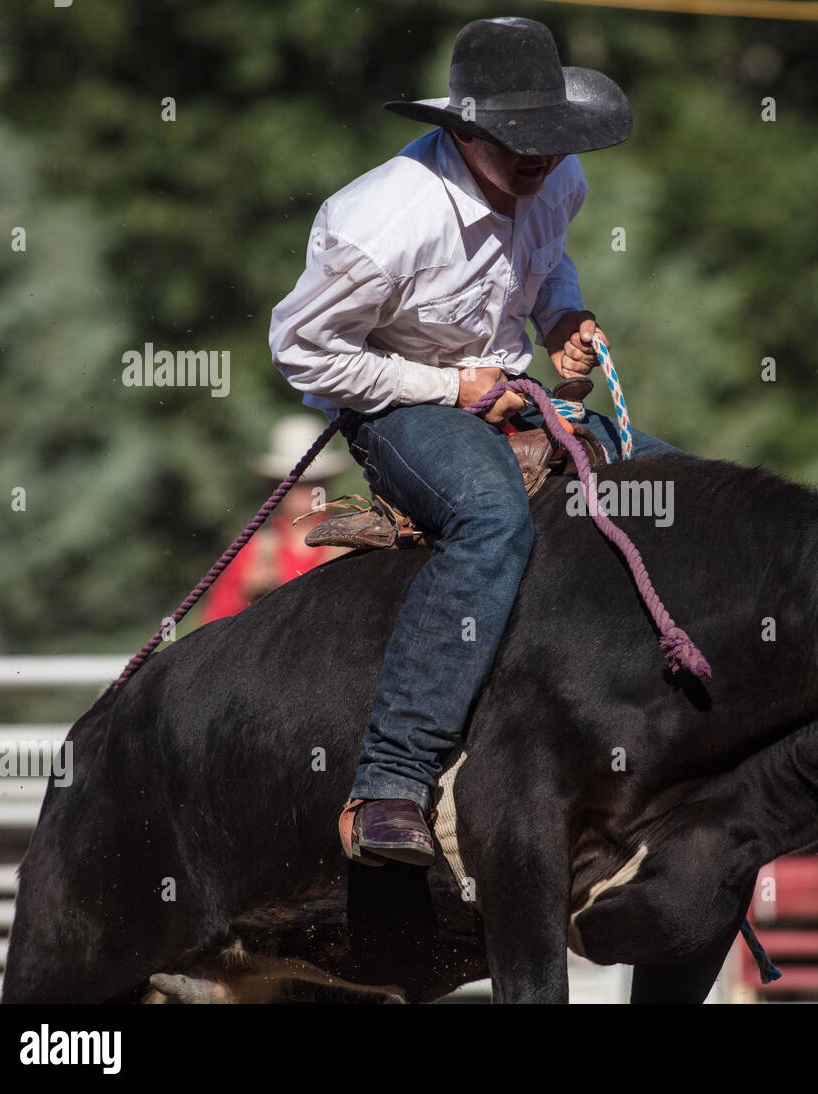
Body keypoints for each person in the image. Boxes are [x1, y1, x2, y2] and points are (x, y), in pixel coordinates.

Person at [269, 17, 680, 867]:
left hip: (501, 388)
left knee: (670, 481)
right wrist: (446, 388)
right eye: (515, 138)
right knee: (492, 516)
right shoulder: (383, 221)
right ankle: (390, 782)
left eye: (548, 136)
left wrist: (562, 315)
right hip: (396, 404)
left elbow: (546, 260)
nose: (540, 155)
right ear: (464, 130)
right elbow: (300, 350)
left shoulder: (555, 178)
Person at [198, 415, 351, 624]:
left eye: (312, 479)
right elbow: (211, 628)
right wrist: (244, 595)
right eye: (294, 480)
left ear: (326, 482)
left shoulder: (352, 544)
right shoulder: (251, 549)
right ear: (277, 485)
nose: (302, 488)